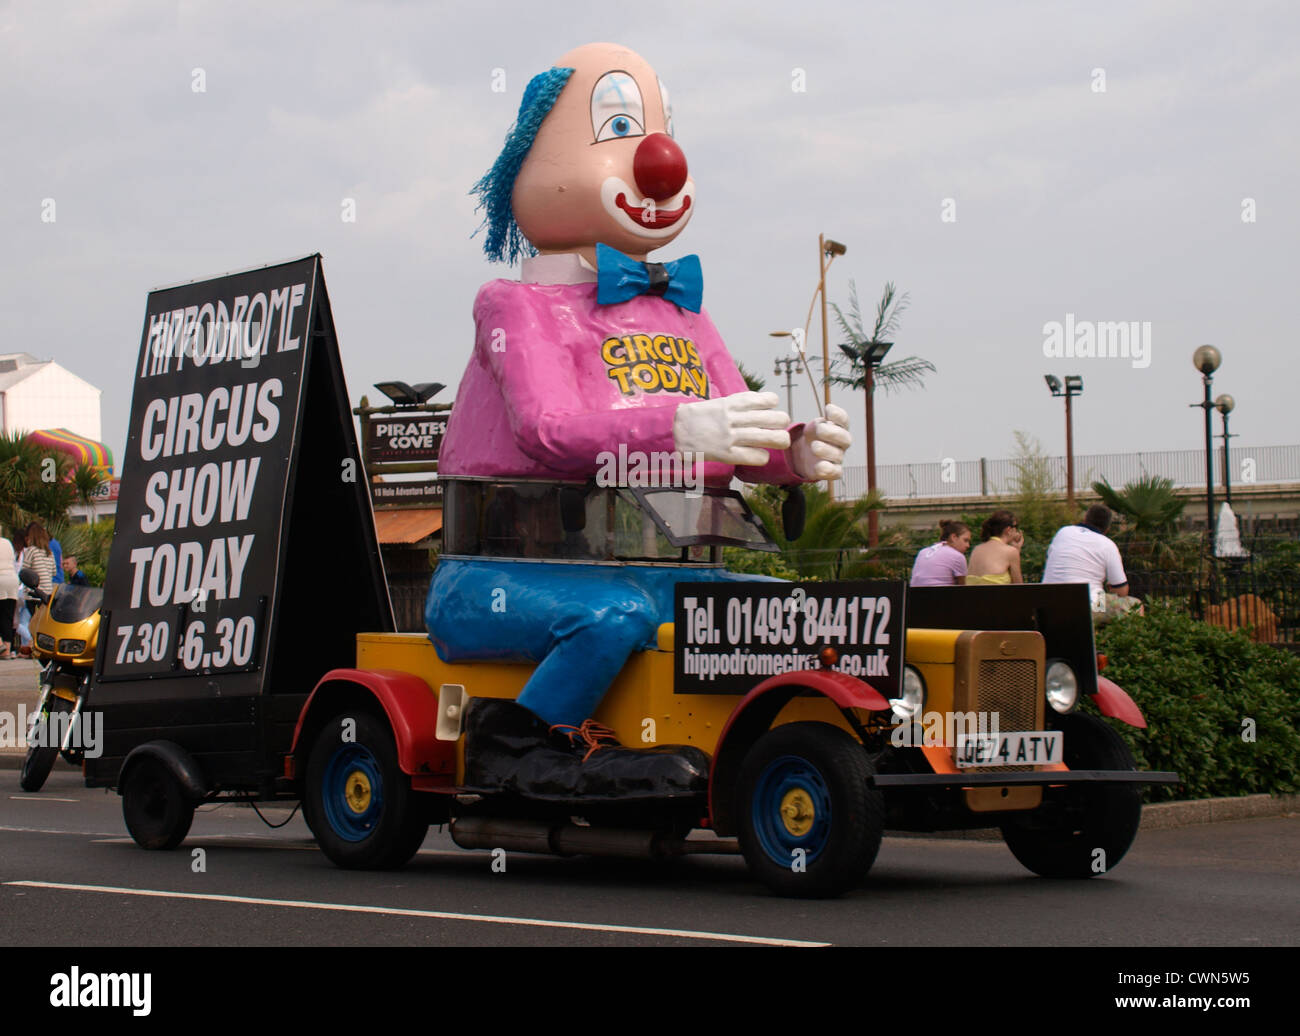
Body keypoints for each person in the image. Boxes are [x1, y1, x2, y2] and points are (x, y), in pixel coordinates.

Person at [425, 42, 854, 801]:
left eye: (658, 125)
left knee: (772, 609)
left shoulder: (683, 312)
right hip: (503, 572)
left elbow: (734, 438)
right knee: (610, 615)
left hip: (660, 563)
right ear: (530, 163)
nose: (661, 158)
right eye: (618, 125)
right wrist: (680, 429)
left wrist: (792, 453)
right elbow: (547, 432)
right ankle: (519, 747)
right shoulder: (514, 306)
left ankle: (771, 758)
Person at [1042, 504, 1142, 620]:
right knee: (1136, 606)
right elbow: (1121, 590)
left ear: (1085, 518)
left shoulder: (1063, 532)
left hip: (1049, 603)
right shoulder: (1108, 545)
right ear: (1107, 528)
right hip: (1090, 603)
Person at [967, 510, 1024, 585]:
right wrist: (1017, 550)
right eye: (1016, 527)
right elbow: (1019, 586)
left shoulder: (976, 549)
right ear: (1009, 530)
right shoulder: (1011, 552)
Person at [910, 520, 971, 586]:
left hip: (915, 595)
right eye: (965, 540)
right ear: (954, 537)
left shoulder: (923, 552)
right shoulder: (958, 556)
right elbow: (962, 588)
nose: (968, 545)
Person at [0, 534, 18, 659]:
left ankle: (0, 643)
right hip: (12, 579)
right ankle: (6, 650)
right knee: (7, 616)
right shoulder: (7, 542)